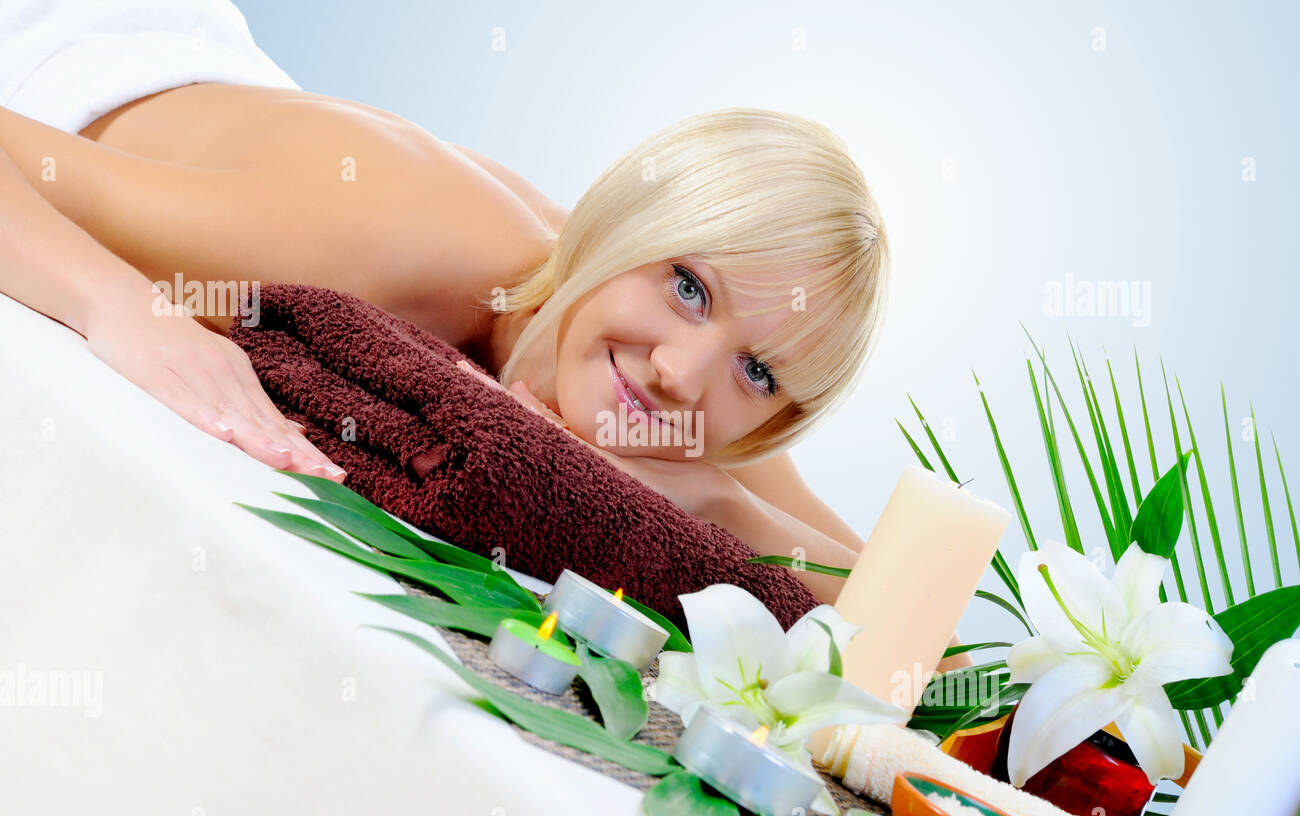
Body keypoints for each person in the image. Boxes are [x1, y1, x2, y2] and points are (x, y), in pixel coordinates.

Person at [0, 10, 946, 623]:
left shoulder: (681, 381)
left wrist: (718, 501)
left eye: (761, 373)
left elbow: (914, 623)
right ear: (621, 225)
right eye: (689, 285)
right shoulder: (377, 239)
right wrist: (122, 306)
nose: (680, 373)